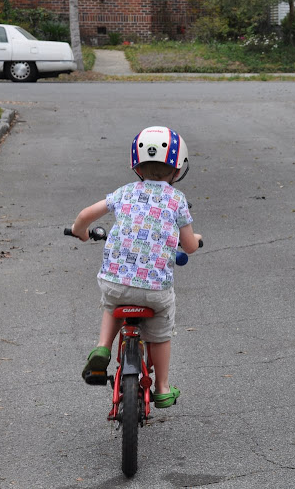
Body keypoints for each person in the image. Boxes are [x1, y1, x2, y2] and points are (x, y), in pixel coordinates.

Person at [70, 126, 202, 409]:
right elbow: (189, 246)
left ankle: (103, 348)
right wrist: (197, 241)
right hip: (155, 291)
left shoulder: (124, 192)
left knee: (112, 303)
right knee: (161, 332)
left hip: (115, 282)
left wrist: (80, 232)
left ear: (136, 167)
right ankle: (162, 387)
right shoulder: (177, 200)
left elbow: (84, 216)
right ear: (178, 170)